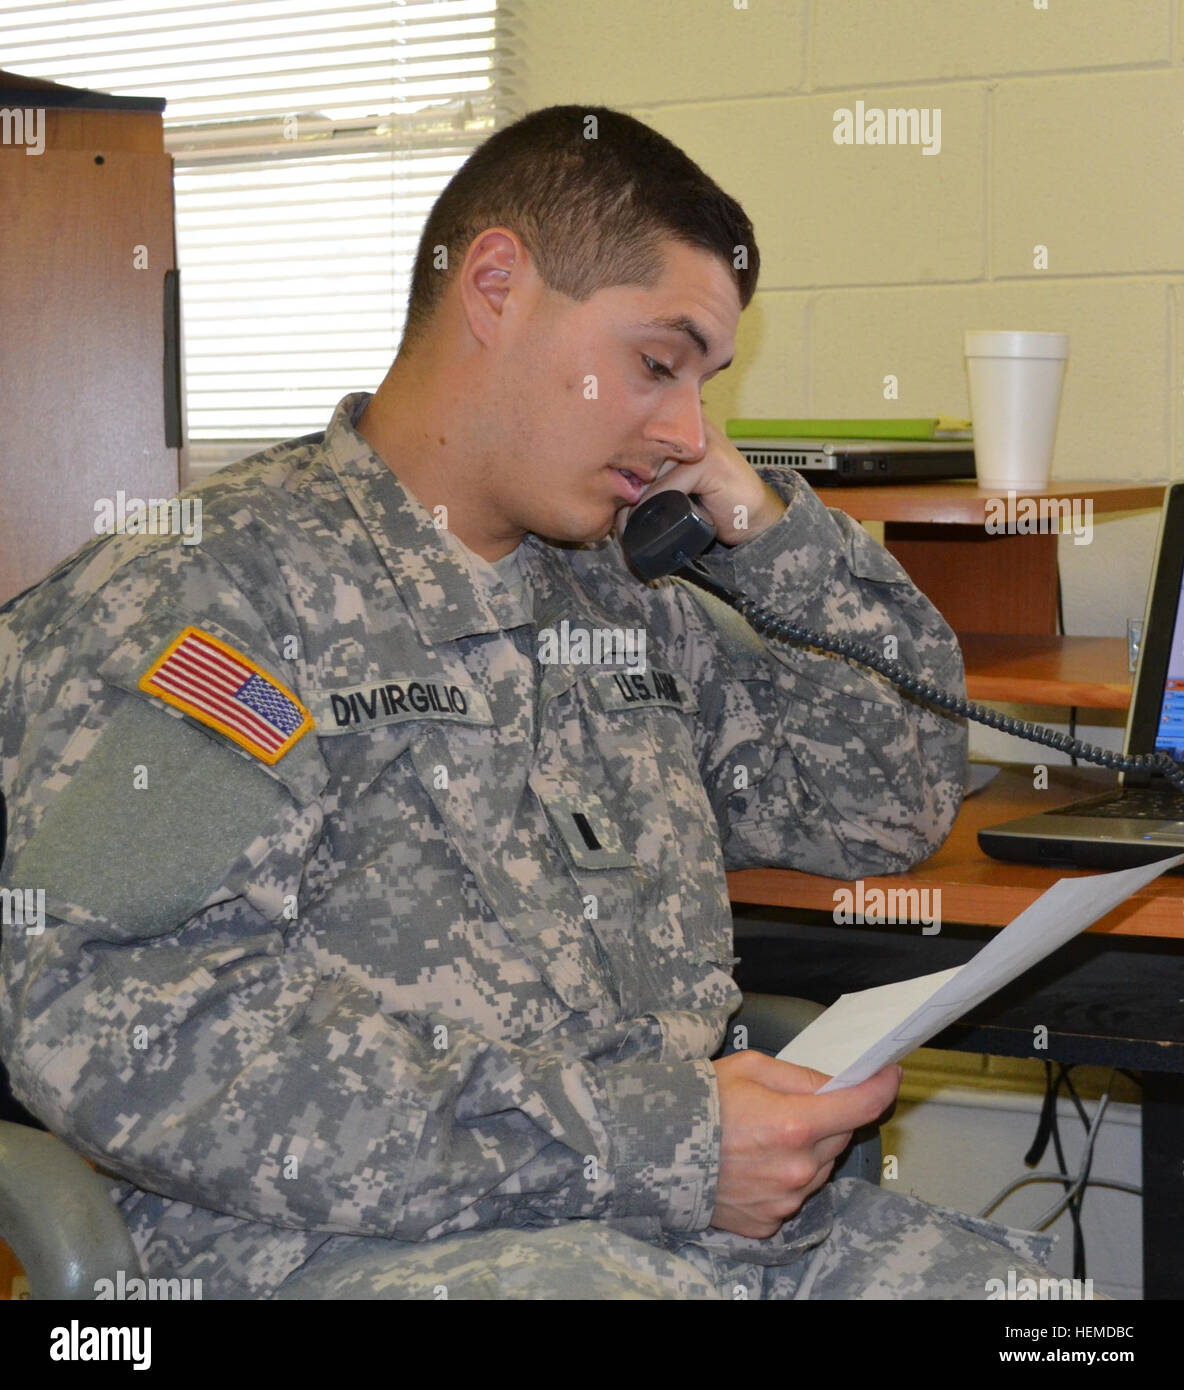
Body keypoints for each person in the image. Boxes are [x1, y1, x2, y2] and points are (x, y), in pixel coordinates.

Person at [0, 104, 1056, 1299]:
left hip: (679, 1231)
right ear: (495, 284)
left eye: (704, 385)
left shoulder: (611, 598)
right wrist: (658, 1139)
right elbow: (126, 1029)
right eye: (658, 363)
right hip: (339, 1251)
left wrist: (757, 522)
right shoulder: (217, 603)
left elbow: (877, 805)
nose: (684, 428)